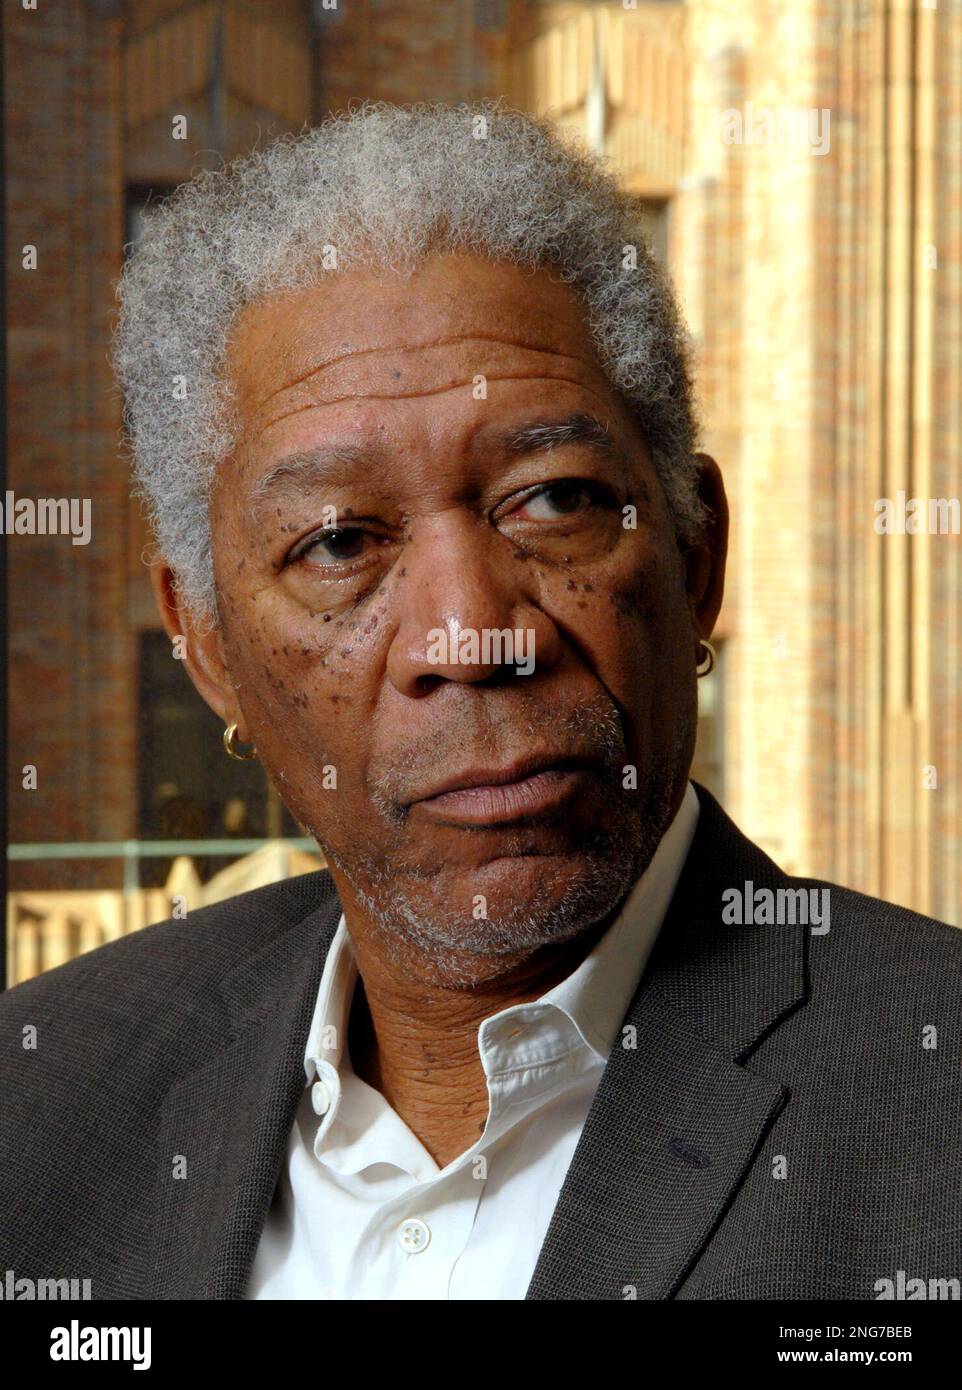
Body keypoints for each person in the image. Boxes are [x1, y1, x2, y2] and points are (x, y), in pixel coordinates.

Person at [2, 102, 959, 1302]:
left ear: (696, 555)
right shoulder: (37, 1103)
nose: (473, 632)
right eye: (339, 540)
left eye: (551, 500)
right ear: (207, 649)